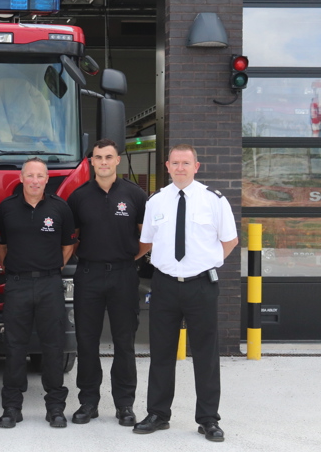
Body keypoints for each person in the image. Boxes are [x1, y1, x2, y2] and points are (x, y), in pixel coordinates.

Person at [134, 144, 238, 442]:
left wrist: (209, 262)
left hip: (201, 285)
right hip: (165, 285)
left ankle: (208, 419)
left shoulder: (214, 200)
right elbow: (149, 242)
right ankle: (158, 414)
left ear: (197, 166)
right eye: (175, 163)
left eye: (186, 163)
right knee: (161, 353)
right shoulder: (156, 201)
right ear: (167, 166)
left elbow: (229, 241)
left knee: (205, 354)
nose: (180, 168)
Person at [66, 138, 148, 427]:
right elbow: (72, 238)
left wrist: (126, 258)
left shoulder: (135, 195)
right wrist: (93, 258)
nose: (103, 162)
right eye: (97, 157)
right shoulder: (78, 197)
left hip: (124, 275)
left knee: (124, 342)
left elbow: (145, 236)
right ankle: (88, 403)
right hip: (88, 275)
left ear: (117, 160)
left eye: (108, 157)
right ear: (91, 162)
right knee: (86, 342)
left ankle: (124, 405)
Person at [0, 158, 76, 428]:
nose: (34, 181)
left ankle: (55, 407)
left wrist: (49, 268)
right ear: (21, 177)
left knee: (53, 346)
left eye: (39, 176)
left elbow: (67, 247)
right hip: (17, 284)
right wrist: (17, 270)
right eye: (30, 175)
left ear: (46, 178)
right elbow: (2, 247)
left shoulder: (60, 208)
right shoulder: (6, 208)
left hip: (49, 284)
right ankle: (12, 407)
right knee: (14, 346)